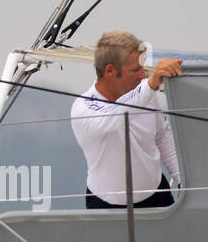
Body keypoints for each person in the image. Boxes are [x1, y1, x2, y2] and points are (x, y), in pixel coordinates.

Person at [71, 30, 182, 209]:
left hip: (158, 196)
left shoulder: (145, 92)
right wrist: (151, 84)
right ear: (110, 71)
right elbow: (116, 115)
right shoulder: (82, 108)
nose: (142, 75)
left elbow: (162, 136)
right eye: (135, 70)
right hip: (106, 206)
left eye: (143, 68)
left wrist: (182, 181)